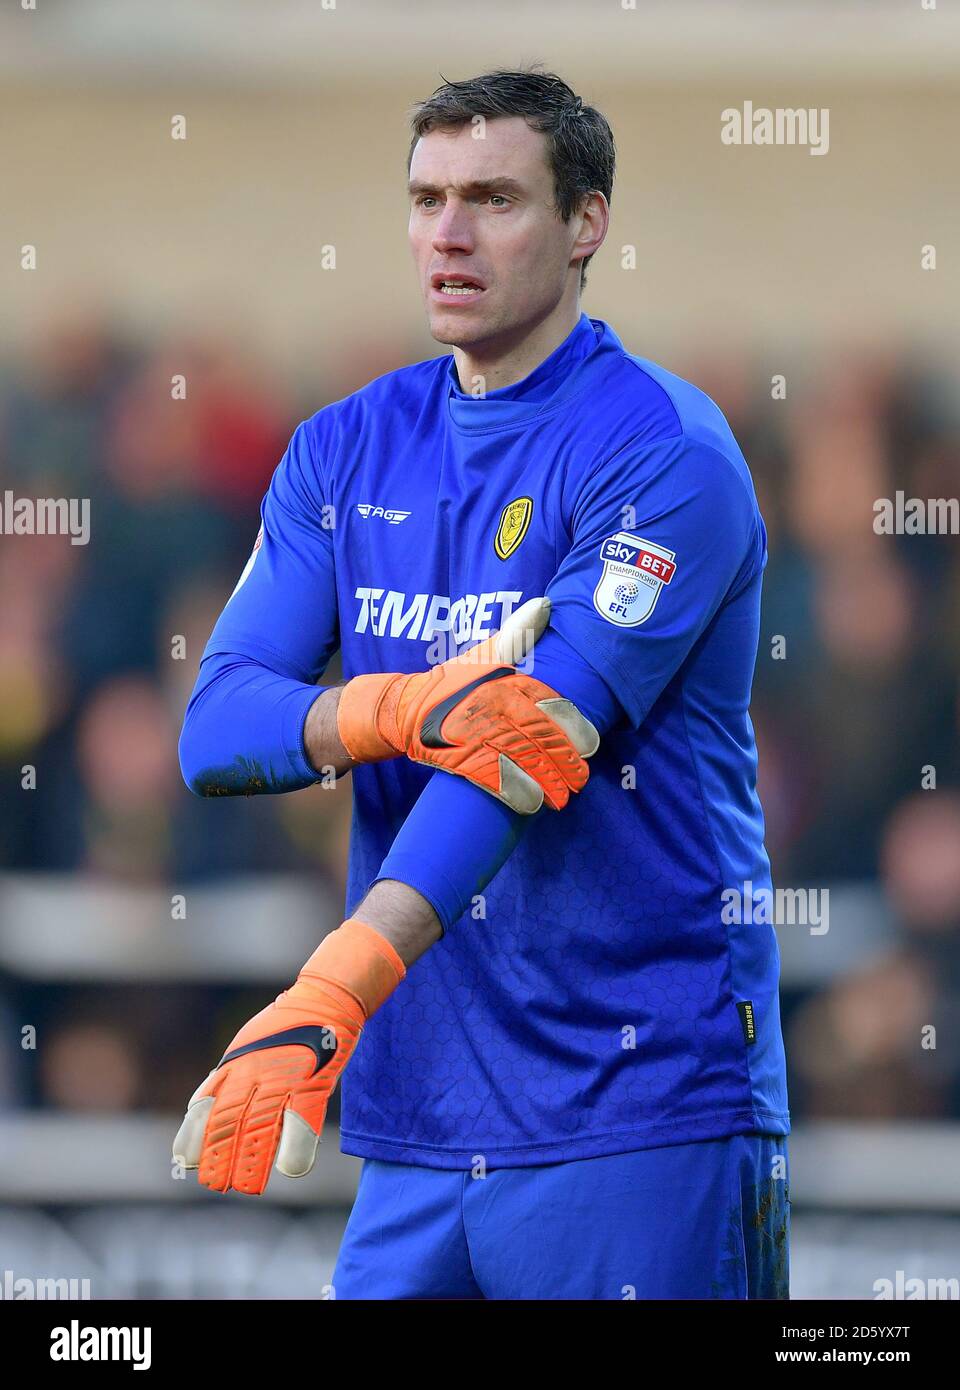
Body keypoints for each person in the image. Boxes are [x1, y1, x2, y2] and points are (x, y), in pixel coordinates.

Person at [174, 67, 790, 1300]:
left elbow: (520, 755)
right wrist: (396, 705)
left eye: (495, 198)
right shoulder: (342, 448)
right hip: (420, 1114)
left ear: (586, 225)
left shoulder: (664, 453)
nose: (448, 234)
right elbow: (214, 722)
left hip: (639, 1107)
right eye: (427, 198)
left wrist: (330, 987)